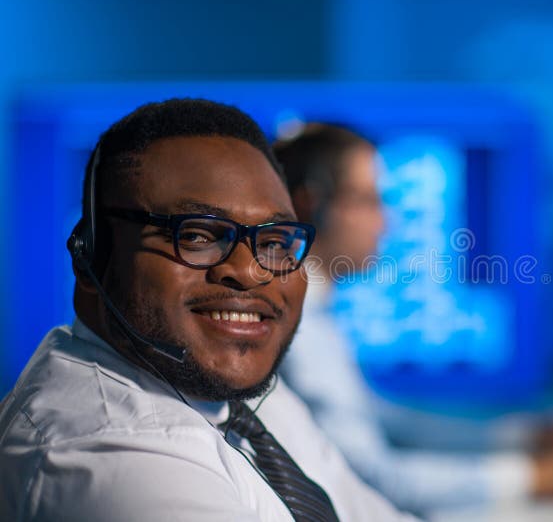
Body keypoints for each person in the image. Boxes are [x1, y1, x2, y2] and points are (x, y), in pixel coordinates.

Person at [0, 99, 420, 521]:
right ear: (91, 256)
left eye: (274, 241)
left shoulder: (247, 397)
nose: (250, 272)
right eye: (198, 235)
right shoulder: (113, 462)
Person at [276, 123, 553, 516]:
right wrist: (540, 477)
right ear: (310, 206)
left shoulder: (315, 318)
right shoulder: (300, 332)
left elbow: (392, 424)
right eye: (371, 201)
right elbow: (376, 479)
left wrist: (531, 438)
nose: (386, 223)